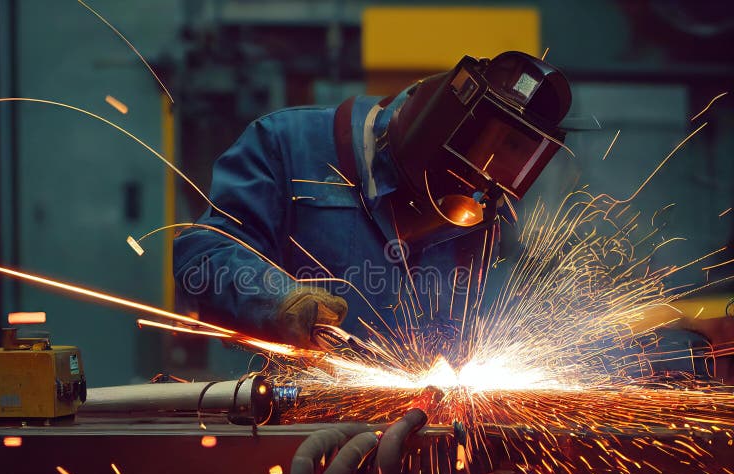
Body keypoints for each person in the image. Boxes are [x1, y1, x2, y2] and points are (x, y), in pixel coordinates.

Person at [174, 50, 572, 349]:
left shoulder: (477, 207)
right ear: (431, 142)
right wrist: (279, 300)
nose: (477, 190)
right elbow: (203, 254)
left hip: (413, 422)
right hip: (289, 417)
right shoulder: (288, 143)